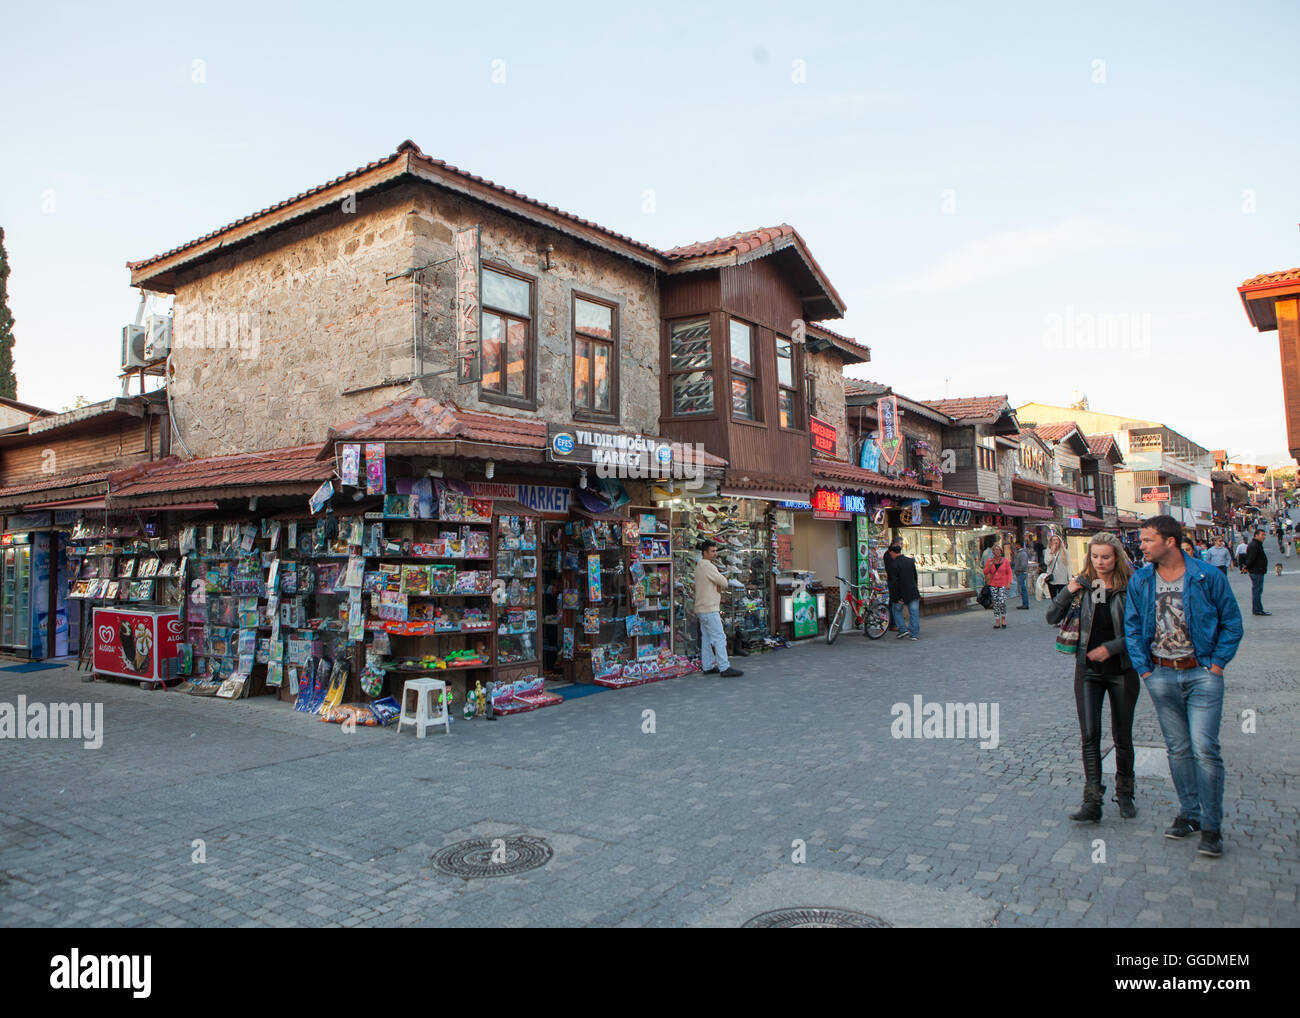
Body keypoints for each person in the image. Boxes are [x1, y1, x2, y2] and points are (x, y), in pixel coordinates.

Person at [1125, 515, 1244, 858]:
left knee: (1205, 748)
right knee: (1177, 749)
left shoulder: (1206, 576)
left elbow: (1232, 622)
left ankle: (1211, 826)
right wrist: (1144, 670)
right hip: (1161, 674)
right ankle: (1189, 814)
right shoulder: (1142, 579)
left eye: (1147, 539)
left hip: (1202, 674)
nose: (1142, 546)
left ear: (1170, 541)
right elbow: (1132, 625)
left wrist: (1217, 665)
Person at [1047, 532, 1140, 823]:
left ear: (1117, 557)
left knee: (1122, 736)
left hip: (1122, 670)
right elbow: (1051, 617)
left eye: (1106, 557)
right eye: (1095, 556)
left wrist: (1111, 648)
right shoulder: (1084, 585)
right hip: (1087, 671)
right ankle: (1092, 800)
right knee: (1089, 736)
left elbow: (1142, 632)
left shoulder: (1131, 586)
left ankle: (1125, 793)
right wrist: (1069, 589)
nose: (1100, 562)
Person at [693, 540, 742, 676]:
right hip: (709, 607)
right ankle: (724, 667)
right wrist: (719, 584)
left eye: (716, 551)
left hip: (701, 607)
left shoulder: (699, 566)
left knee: (707, 638)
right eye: (712, 551)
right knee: (719, 637)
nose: (715, 554)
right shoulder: (708, 566)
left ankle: (708, 665)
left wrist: (717, 584)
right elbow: (724, 582)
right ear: (704, 552)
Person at [887, 544, 920, 641]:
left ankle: (902, 629)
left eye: (890, 553)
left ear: (892, 552)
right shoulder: (910, 561)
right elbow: (915, 576)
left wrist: (898, 597)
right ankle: (914, 634)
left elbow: (894, 583)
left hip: (900, 593)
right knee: (914, 613)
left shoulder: (893, 565)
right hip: (912, 591)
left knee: (896, 610)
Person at [983, 544, 1013, 629]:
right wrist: (989, 565)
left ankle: (1003, 619)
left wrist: (1009, 583)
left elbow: (1009, 572)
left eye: (998, 550)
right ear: (993, 552)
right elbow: (985, 572)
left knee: (1002, 602)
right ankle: (997, 621)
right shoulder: (990, 560)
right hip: (993, 584)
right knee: (995, 603)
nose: (997, 551)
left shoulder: (1005, 561)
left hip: (1003, 584)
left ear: (1001, 551)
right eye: (995, 550)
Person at [1242, 528, 1270, 616]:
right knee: (1257, 591)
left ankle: (1258, 608)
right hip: (1256, 571)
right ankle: (1257, 609)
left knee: (1258, 590)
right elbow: (1251, 558)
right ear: (1256, 535)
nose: (1264, 537)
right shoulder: (1254, 545)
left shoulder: (1257, 544)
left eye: (1264, 535)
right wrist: (1246, 567)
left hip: (1258, 570)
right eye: (1262, 535)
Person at [1044, 534, 1071, 599]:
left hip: (1062, 579)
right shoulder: (1048, 551)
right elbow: (1047, 562)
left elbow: (1068, 565)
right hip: (1052, 579)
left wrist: (1070, 578)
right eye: (1054, 540)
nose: (1055, 541)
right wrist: (1052, 552)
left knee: (1062, 598)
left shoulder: (1064, 551)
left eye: (1057, 540)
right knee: (1053, 597)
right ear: (1051, 541)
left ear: (1059, 541)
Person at [1012, 540, 1031, 609]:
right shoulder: (1020, 553)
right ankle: (1024, 603)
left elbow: (1023, 565)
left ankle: (1025, 604)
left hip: (1021, 573)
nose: (1015, 546)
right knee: (1022, 588)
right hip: (1020, 573)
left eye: (1016, 545)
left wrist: (1018, 569)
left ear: (1019, 545)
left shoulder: (1022, 554)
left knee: (1023, 589)